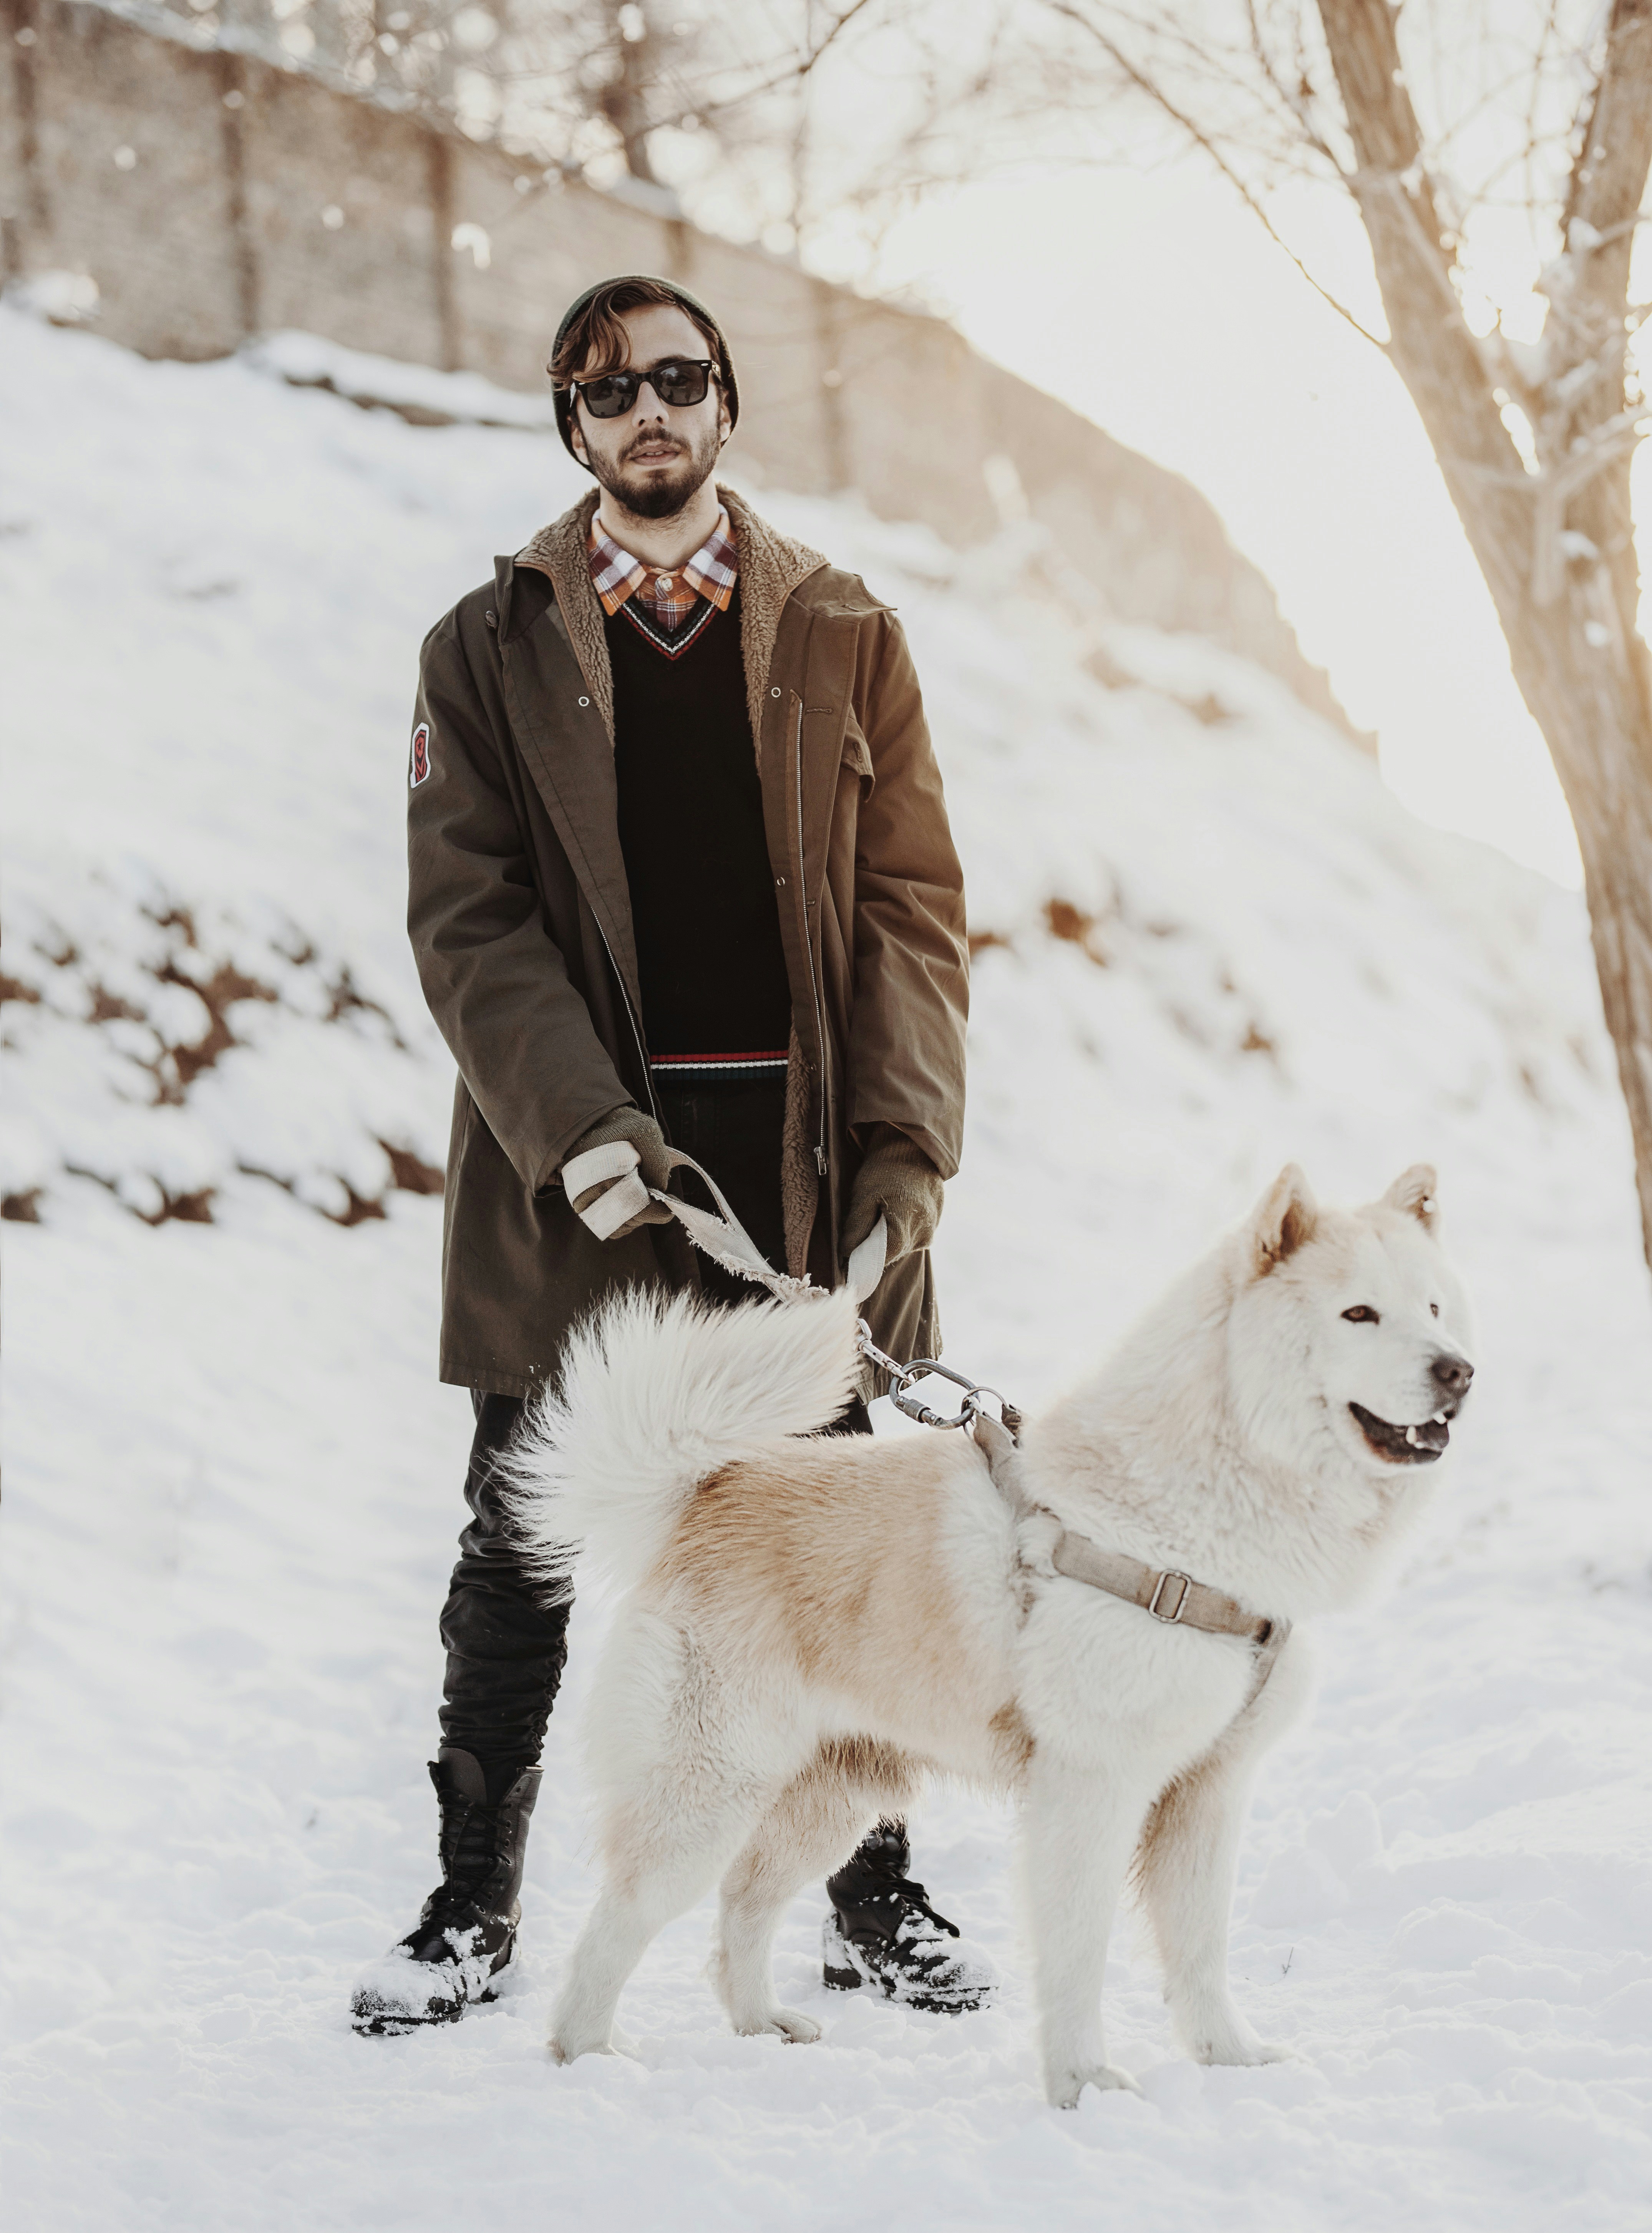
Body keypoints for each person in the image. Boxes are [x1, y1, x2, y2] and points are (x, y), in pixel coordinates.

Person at [351, 274, 990, 2036]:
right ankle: (470, 1908)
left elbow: (913, 910)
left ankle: (871, 1896)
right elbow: (470, 919)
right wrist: (579, 1127)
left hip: (803, 1181)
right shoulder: (482, 648)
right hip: (581, 1178)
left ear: (725, 405)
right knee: (523, 1540)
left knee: (844, 1554)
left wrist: (905, 1149)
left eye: (679, 379)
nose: (649, 411)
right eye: (609, 388)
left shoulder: (848, 630)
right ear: (572, 425)